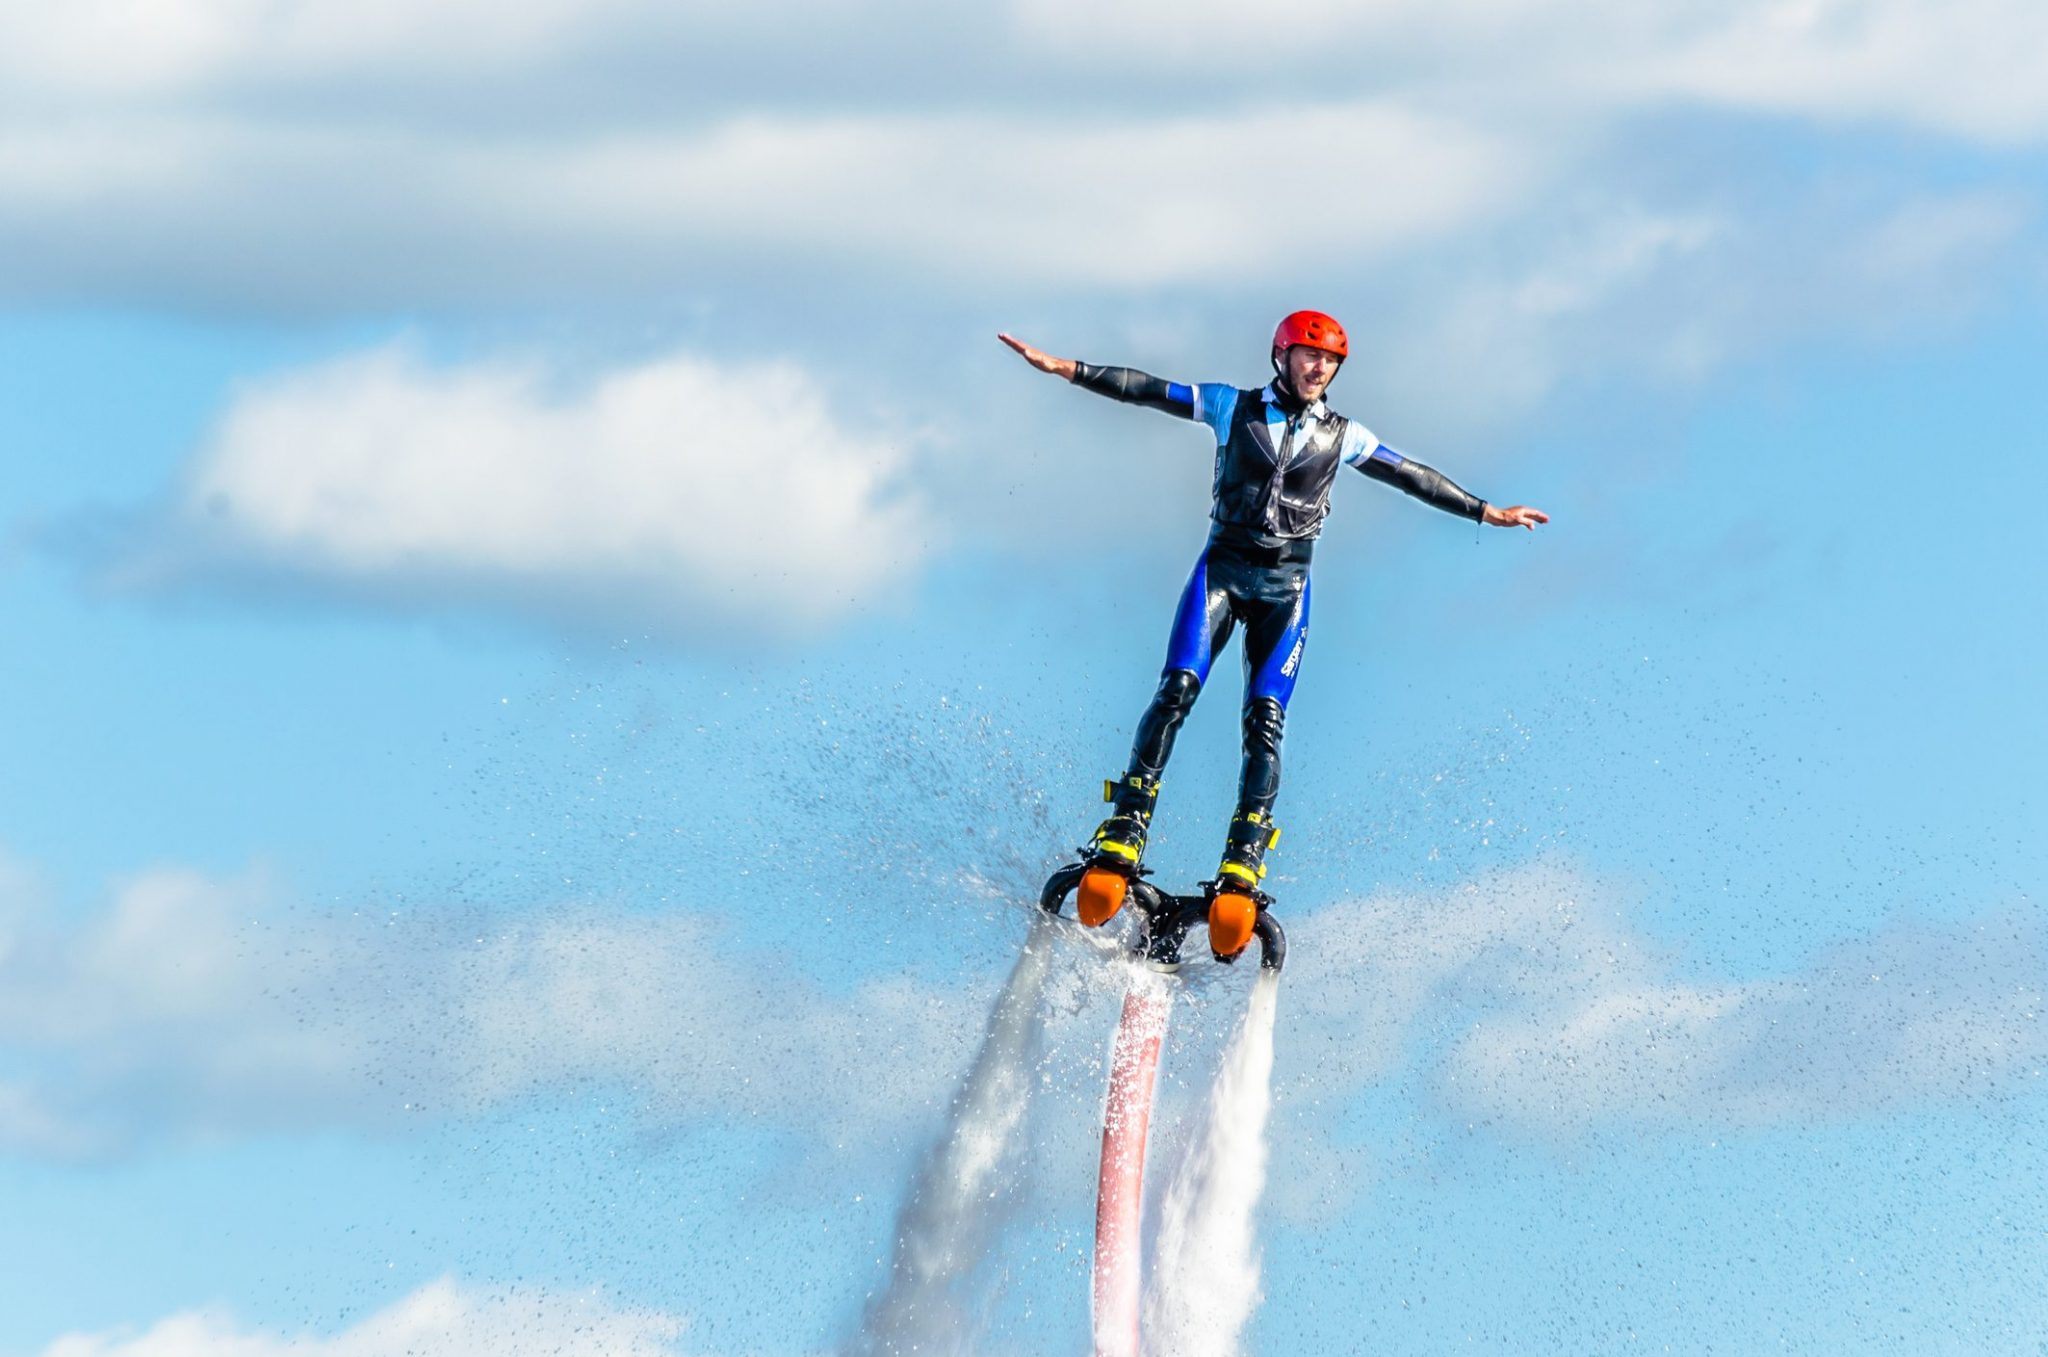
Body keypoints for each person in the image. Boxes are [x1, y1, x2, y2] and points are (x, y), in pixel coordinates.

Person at [1000, 312, 1548, 912]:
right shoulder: (1230, 406)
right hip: (1223, 573)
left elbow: (1412, 476)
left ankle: (1245, 855)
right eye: (1310, 356)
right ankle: (1126, 825)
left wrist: (1485, 511)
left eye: (1331, 361)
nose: (1320, 368)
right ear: (1281, 357)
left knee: (1264, 721)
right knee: (1176, 690)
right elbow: (1148, 389)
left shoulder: (1345, 435)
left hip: (1286, 590)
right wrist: (1067, 369)